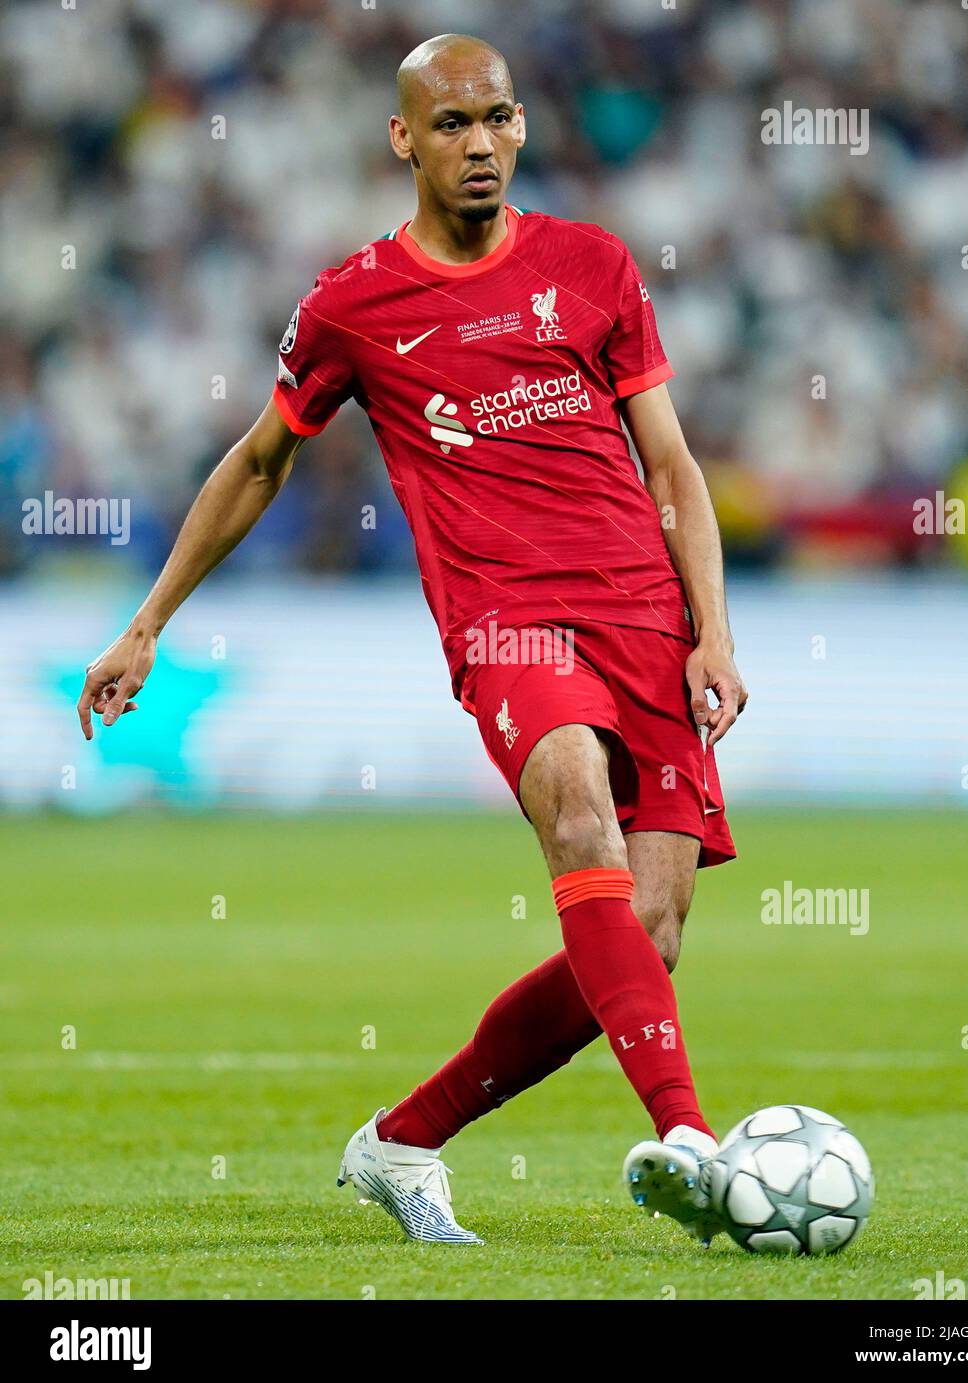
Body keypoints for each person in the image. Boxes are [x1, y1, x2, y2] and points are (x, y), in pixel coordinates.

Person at [77, 33, 748, 1247]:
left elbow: (670, 464)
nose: (479, 143)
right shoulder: (352, 303)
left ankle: (400, 1139)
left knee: (644, 939)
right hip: (507, 625)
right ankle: (689, 1136)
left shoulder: (593, 265)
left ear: (521, 126)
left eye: (496, 118)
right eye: (450, 124)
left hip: (646, 619)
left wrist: (713, 631)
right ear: (403, 139)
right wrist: (146, 622)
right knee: (577, 817)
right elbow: (260, 461)